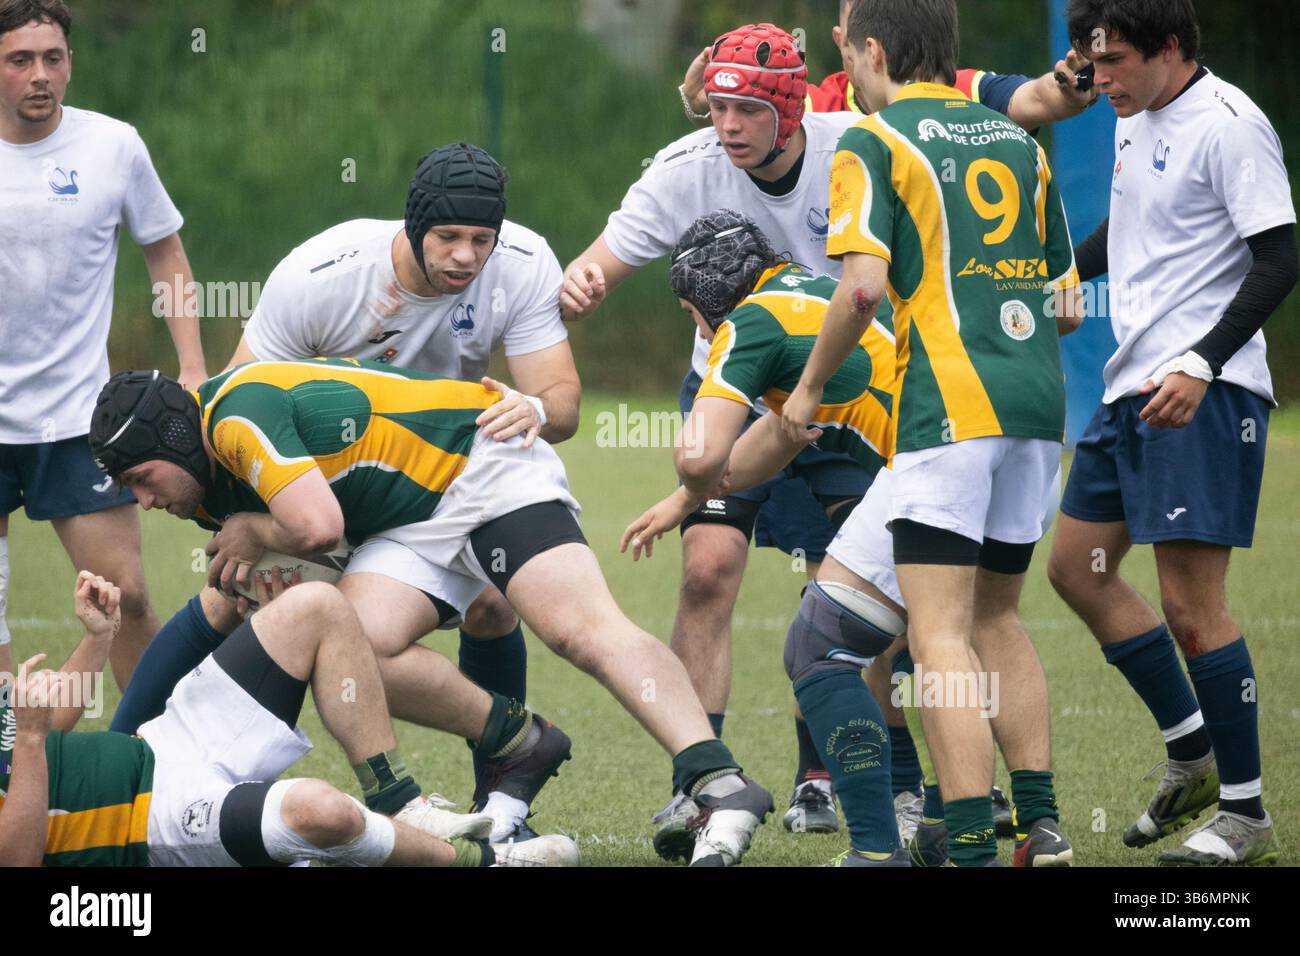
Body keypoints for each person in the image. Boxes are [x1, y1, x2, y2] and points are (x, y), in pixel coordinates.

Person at [89, 358, 775, 866]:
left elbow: (319, 525)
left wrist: (262, 535)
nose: (143, 502)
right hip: (408, 524)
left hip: (478, 464)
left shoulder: (235, 421)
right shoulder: (202, 479)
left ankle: (718, 779)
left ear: (175, 441)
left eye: (140, 481)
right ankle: (516, 739)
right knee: (355, 647)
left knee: (579, 630)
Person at [110, 142, 580, 840]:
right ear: (413, 225)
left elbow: (562, 405)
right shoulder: (320, 275)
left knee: (490, 602)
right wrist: (255, 535)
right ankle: (122, 761)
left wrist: (535, 409)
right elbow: (230, 410)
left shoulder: (519, 261)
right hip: (326, 480)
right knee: (233, 594)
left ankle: (499, 787)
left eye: (479, 239)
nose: (463, 254)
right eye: (447, 236)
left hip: (444, 469)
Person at [623, 210, 1079, 866]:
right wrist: (686, 502)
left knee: (827, 644)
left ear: (701, 304)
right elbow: (775, 437)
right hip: (1010, 426)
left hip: (930, 467)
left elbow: (703, 454)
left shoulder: (748, 321)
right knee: (981, 623)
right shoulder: (816, 290)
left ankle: (886, 842)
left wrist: (687, 474)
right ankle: (1026, 821)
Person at [780, 0, 1084, 866]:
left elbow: (862, 290)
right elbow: (1064, 304)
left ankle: (974, 850)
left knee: (938, 631)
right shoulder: (1018, 142)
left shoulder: (871, 143)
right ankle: (1043, 826)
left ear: (871, 51)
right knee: (996, 617)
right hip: (1035, 407)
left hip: (944, 412)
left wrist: (806, 393)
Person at [1049, 0, 1297, 866]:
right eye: (1091, 59)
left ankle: (1246, 814)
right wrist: (1062, 274)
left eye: (1112, 60)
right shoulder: (1133, 111)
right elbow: (1138, 225)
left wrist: (1203, 361)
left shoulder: (1232, 126)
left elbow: (1281, 256)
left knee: (1196, 611)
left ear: (1170, 48)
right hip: (1129, 391)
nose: (1098, 77)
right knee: (1076, 569)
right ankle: (1191, 748)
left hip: (1204, 394)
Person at [0, 570, 578, 867]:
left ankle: (399, 802)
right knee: (319, 811)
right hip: (153, 827)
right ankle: (490, 860)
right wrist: (27, 738)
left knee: (313, 607)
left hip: (162, 745)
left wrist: (97, 642)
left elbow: (45, 722)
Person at [0, 0, 207, 692]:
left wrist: (194, 365)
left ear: (70, 62)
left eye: (53, 58)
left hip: (77, 421)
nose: (40, 75)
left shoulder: (112, 147)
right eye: (20, 59)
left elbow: (166, 250)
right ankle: (9, 773)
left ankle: (160, 760)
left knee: (127, 595)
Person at [677, 0, 1098, 128]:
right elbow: (746, 120)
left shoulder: (962, 91)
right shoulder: (810, 105)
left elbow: (1040, 98)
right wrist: (701, 103)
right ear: (845, 42)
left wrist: (1068, 89)